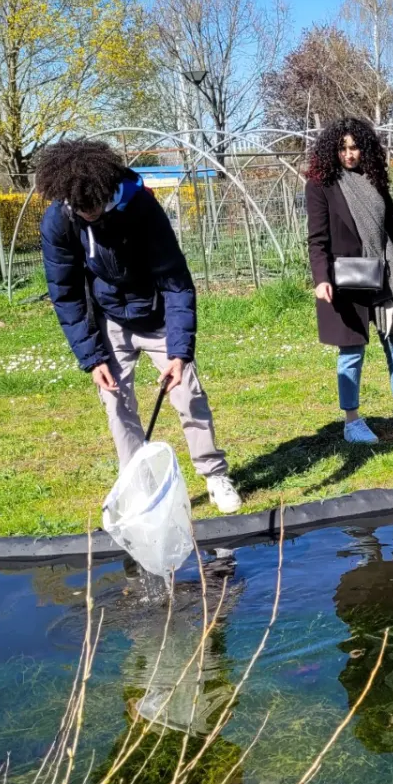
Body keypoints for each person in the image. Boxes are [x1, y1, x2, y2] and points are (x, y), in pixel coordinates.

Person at [37, 139, 242, 514]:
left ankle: (215, 476)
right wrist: (93, 358)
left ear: (106, 191)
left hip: (157, 315)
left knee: (187, 392)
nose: (89, 214)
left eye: (95, 206)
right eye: (82, 210)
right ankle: (139, 488)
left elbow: (176, 282)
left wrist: (179, 353)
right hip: (110, 318)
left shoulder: (141, 207)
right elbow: (66, 293)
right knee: (115, 402)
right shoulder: (60, 219)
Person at [305, 116, 393, 444]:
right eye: (342, 149)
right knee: (351, 350)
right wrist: (321, 278)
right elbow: (317, 238)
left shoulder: (374, 178)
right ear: (332, 151)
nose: (349, 154)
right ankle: (352, 422)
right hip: (348, 278)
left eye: (355, 147)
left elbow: (392, 224)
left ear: (365, 148)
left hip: (386, 272)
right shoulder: (321, 184)